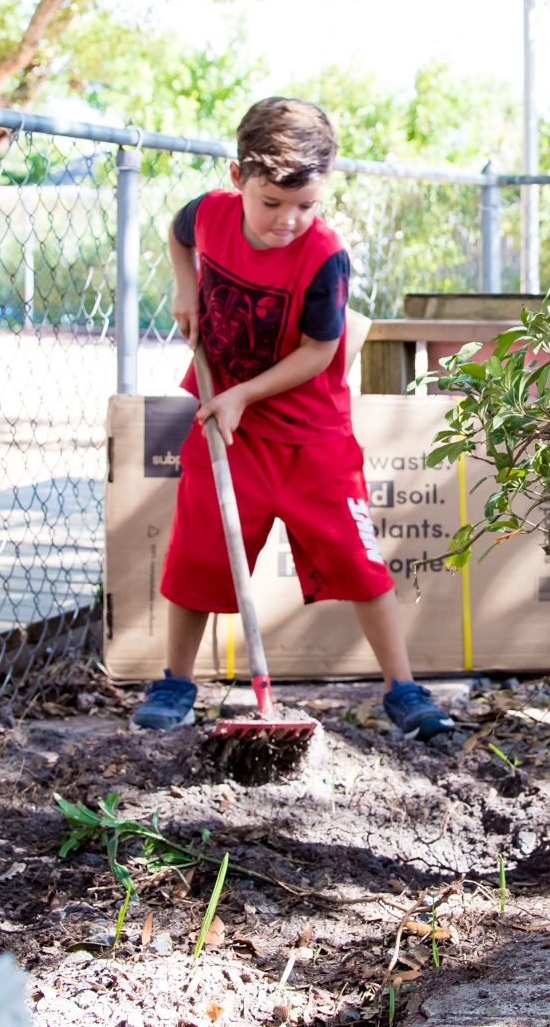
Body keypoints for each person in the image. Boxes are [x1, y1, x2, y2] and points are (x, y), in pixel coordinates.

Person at [131, 98, 455, 741]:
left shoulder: (324, 255)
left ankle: (403, 690)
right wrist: (186, 287)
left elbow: (320, 351)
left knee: (359, 562)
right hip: (230, 432)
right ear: (238, 178)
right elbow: (179, 229)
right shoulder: (210, 214)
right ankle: (175, 683)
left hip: (312, 439)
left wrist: (245, 394)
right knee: (199, 555)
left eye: (305, 205)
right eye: (271, 203)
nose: (287, 220)